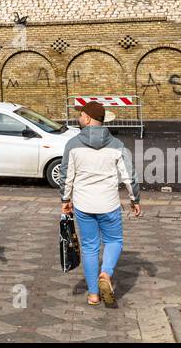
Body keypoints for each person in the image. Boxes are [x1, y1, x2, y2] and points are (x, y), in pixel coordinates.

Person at [60, 100, 142, 306]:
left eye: (81, 115)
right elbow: (129, 176)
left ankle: (93, 294)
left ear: (87, 118)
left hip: (83, 205)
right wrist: (135, 200)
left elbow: (66, 176)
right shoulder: (117, 145)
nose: (78, 118)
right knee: (114, 241)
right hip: (109, 204)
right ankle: (105, 274)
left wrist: (65, 199)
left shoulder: (72, 144)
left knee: (89, 247)